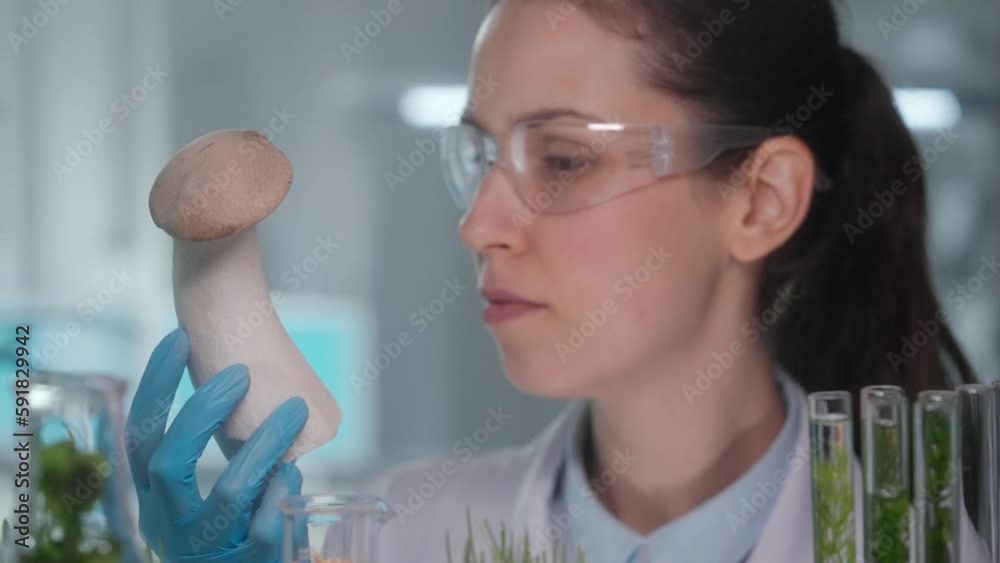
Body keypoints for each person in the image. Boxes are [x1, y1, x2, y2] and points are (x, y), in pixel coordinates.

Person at [126, 0, 990, 561]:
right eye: (479, 155)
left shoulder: (923, 546)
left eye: (566, 158)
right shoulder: (384, 535)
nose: (479, 223)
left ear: (761, 201)